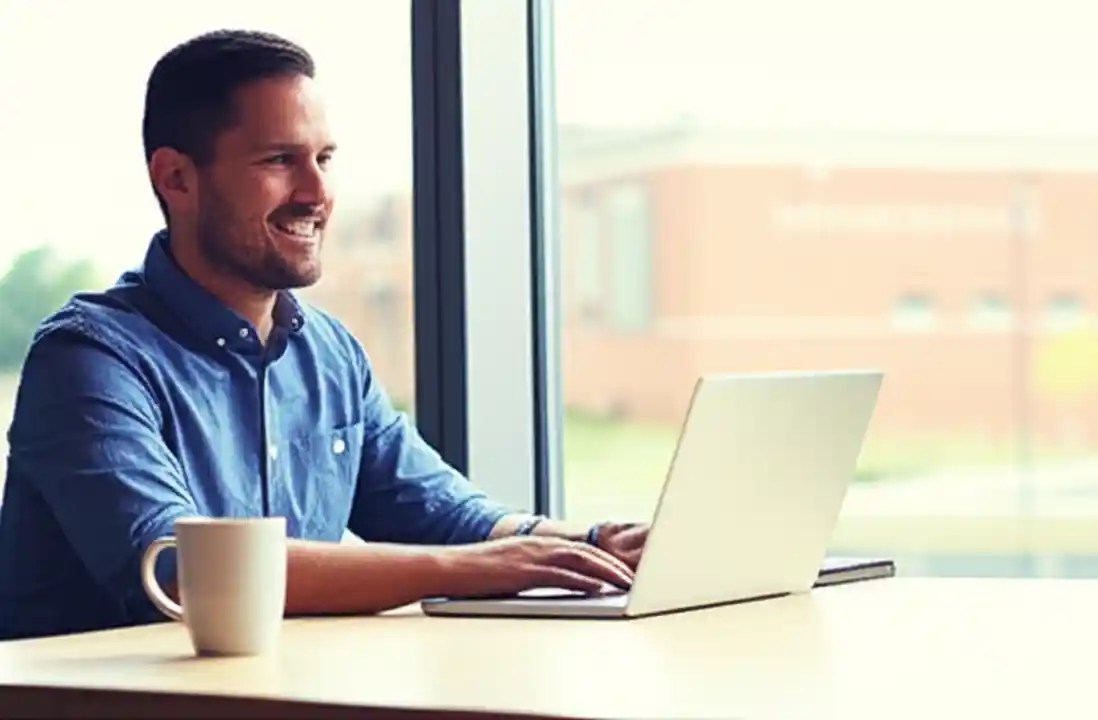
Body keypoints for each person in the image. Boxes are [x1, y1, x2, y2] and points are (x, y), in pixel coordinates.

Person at [0, 29, 648, 641]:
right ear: (176, 178)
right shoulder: (89, 358)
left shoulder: (328, 352)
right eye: (280, 160)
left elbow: (442, 512)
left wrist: (590, 542)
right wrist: (474, 569)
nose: (316, 193)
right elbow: (178, 569)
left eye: (325, 158)